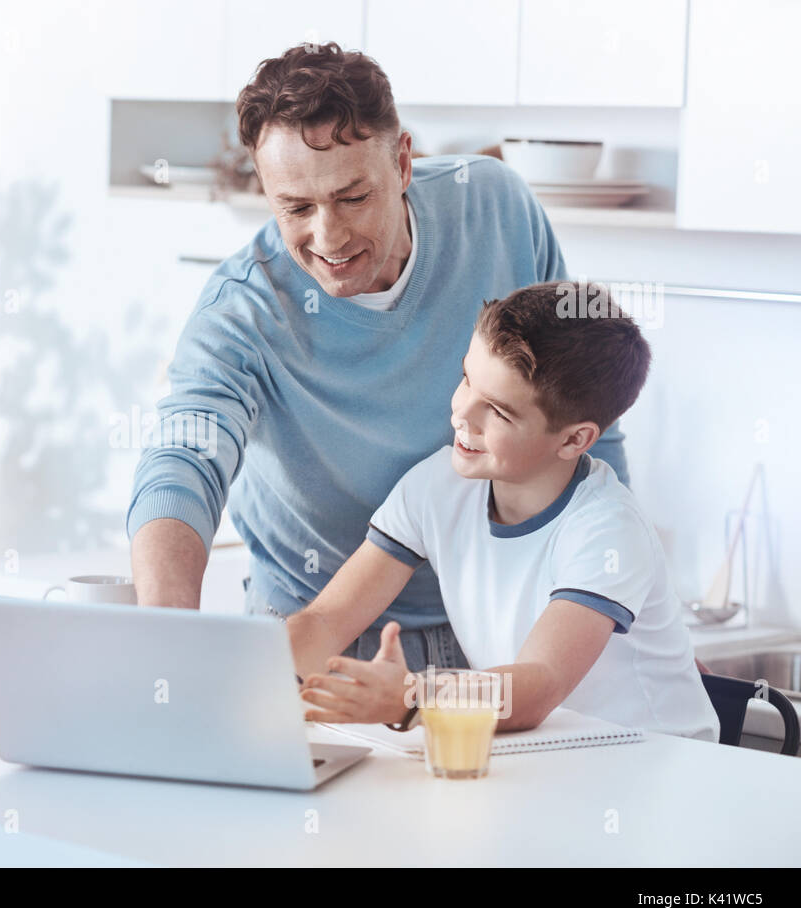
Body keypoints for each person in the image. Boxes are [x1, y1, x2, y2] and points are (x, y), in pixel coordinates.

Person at [126, 43, 630, 672]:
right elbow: (183, 458)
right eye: (296, 208)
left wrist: (617, 589)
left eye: (353, 197)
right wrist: (166, 632)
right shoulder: (242, 311)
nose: (328, 237)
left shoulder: (496, 207)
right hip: (319, 641)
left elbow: (586, 408)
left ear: (402, 161)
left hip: (505, 630)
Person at [293, 281, 718, 741]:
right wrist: (255, 680)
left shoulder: (607, 529)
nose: (461, 415)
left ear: (574, 439)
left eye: (496, 410)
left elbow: (539, 682)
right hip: (554, 760)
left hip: (659, 764)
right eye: (466, 379)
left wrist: (414, 696)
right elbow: (327, 620)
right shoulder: (438, 485)